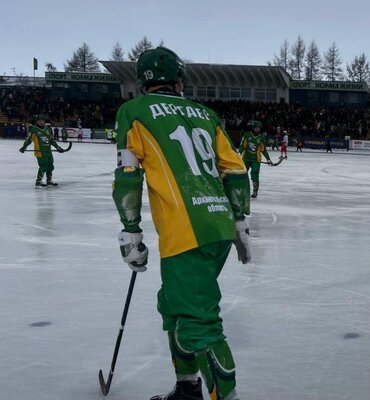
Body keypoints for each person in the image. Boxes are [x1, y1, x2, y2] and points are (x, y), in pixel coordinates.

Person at [111, 46, 251, 400]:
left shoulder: (134, 111)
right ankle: (187, 389)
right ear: (179, 79)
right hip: (218, 226)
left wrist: (130, 232)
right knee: (173, 305)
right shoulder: (206, 114)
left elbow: (128, 174)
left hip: (185, 231)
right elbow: (235, 170)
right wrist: (240, 222)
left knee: (199, 323)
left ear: (143, 81)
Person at [19, 114, 65, 188]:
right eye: (39, 120)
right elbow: (28, 140)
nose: (41, 122)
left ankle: (49, 181)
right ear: (36, 121)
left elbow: (51, 140)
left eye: (42, 120)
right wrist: (24, 147)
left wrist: (58, 147)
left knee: (50, 166)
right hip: (40, 152)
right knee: (43, 166)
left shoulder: (48, 129)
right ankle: (38, 182)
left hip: (48, 151)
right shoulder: (34, 130)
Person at [239, 120, 273, 199]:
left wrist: (268, 159)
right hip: (246, 159)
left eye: (258, 128)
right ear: (252, 128)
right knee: (242, 174)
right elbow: (242, 146)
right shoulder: (247, 135)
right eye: (256, 128)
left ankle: (255, 191)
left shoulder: (261, 137)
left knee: (255, 174)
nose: (257, 130)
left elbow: (263, 149)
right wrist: (239, 153)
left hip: (256, 160)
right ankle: (242, 190)